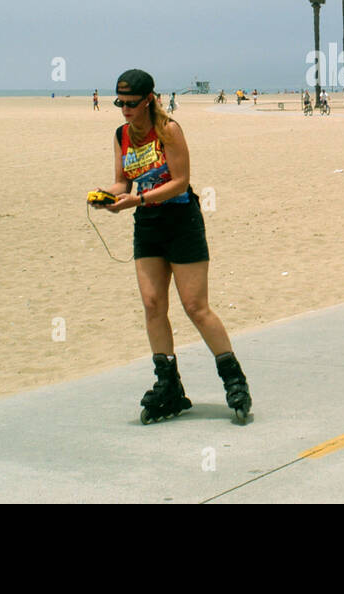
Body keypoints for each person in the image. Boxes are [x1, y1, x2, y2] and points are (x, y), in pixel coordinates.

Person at [98, 69, 251, 423]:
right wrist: (109, 195)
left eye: (131, 104)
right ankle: (169, 387)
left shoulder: (168, 129)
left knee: (195, 306)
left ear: (149, 99)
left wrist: (138, 200)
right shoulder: (121, 135)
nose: (125, 110)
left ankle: (234, 379)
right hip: (148, 225)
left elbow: (181, 182)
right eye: (120, 103)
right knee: (152, 305)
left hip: (182, 223)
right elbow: (123, 182)